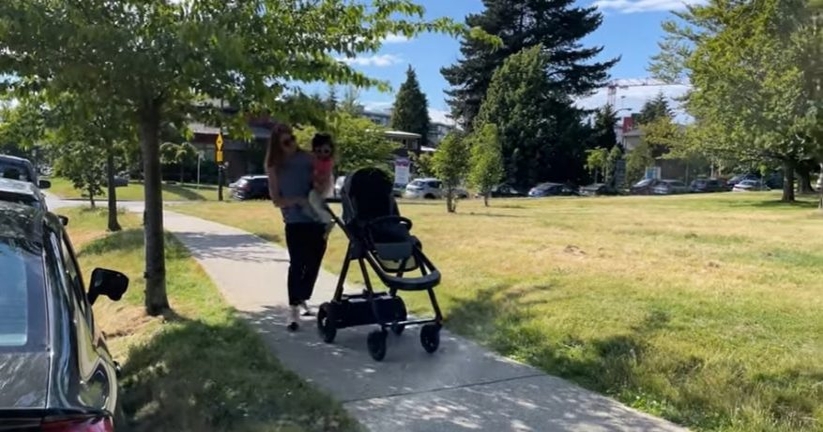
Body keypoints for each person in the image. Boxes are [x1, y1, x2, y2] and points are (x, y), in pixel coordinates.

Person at [265, 124, 329, 331]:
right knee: (297, 263)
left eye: (292, 139)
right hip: (294, 221)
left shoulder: (308, 158)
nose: (291, 144)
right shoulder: (274, 165)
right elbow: (276, 200)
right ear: (278, 145)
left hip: (317, 218)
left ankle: (302, 297)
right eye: (286, 142)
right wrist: (298, 200)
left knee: (314, 262)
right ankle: (293, 309)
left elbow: (322, 179)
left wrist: (321, 184)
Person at [302, 133, 335, 236]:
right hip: (316, 184)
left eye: (326, 151)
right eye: (318, 151)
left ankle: (327, 220)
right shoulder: (313, 160)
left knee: (314, 198)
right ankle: (320, 220)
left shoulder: (328, 162)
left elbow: (326, 176)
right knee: (309, 206)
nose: (322, 154)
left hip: (323, 184)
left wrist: (317, 181)